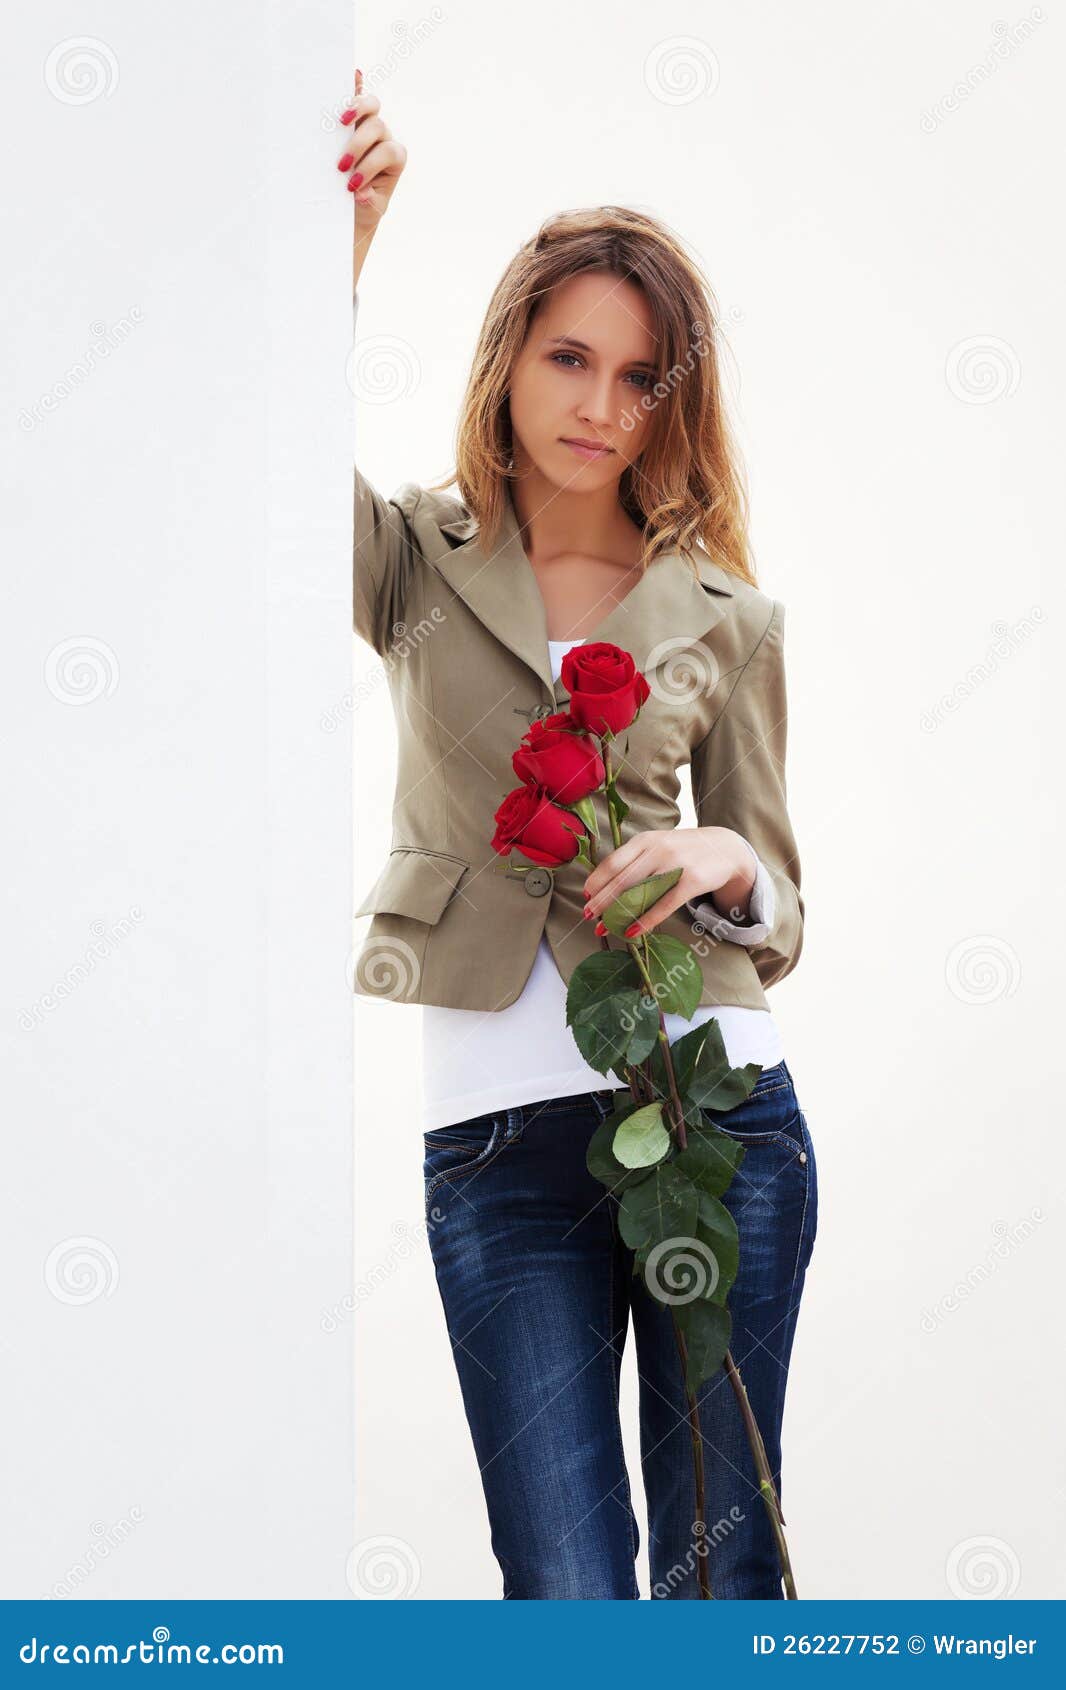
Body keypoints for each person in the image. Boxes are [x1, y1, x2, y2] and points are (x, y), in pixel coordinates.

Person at [343, 69, 818, 1599]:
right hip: (495, 1141)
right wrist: (342, 242)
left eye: (637, 376)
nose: (598, 405)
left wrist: (715, 860)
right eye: (568, 356)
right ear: (509, 357)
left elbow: (781, 894)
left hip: (713, 1113)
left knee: (715, 1568)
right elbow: (249, 462)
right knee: (559, 1584)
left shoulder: (730, 616)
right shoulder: (416, 557)